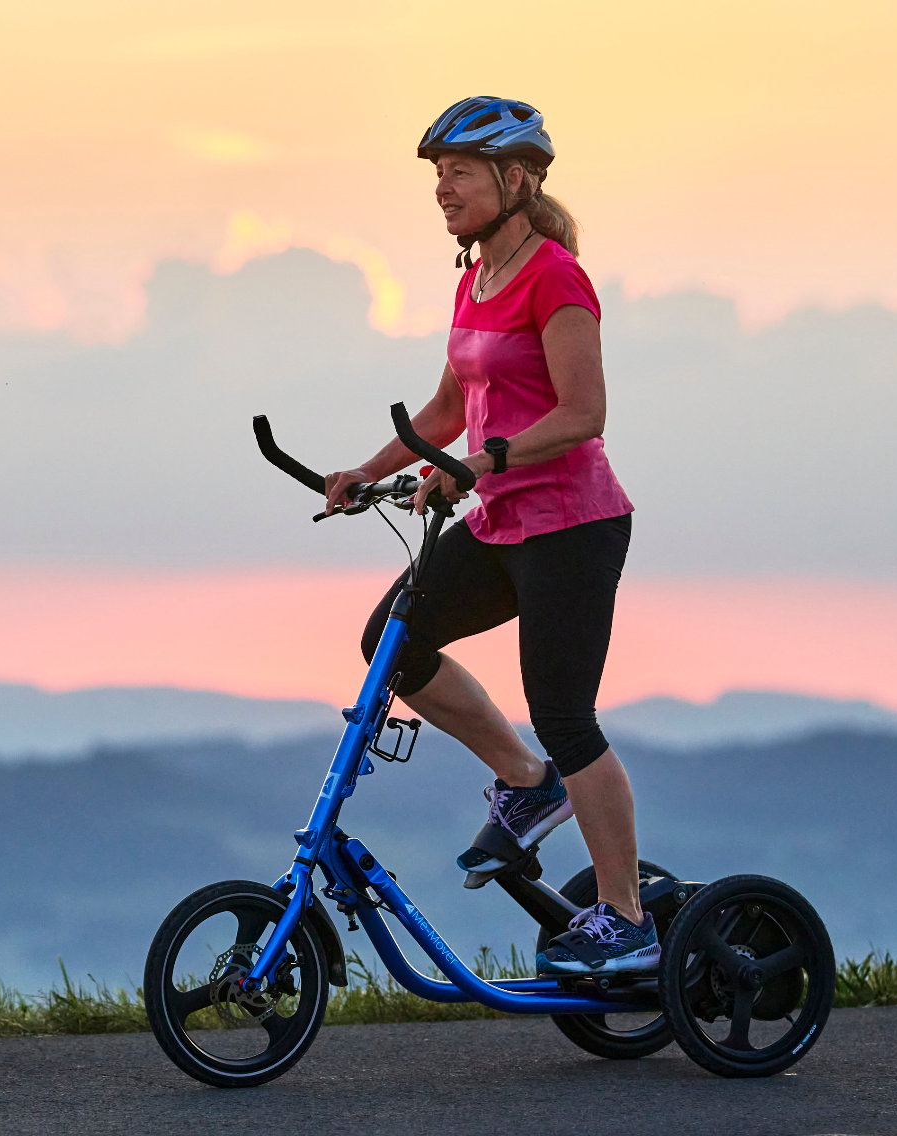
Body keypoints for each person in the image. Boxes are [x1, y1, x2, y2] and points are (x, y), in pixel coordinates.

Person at [322, 96, 651, 977]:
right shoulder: (476, 279)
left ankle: (626, 918)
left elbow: (585, 414)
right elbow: (443, 410)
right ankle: (524, 782)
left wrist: (482, 460)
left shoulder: (555, 278)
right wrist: (367, 468)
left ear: (516, 180)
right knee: (390, 639)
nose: (442, 188)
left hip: (573, 525)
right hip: (503, 521)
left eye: (458, 171)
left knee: (566, 714)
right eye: (438, 174)